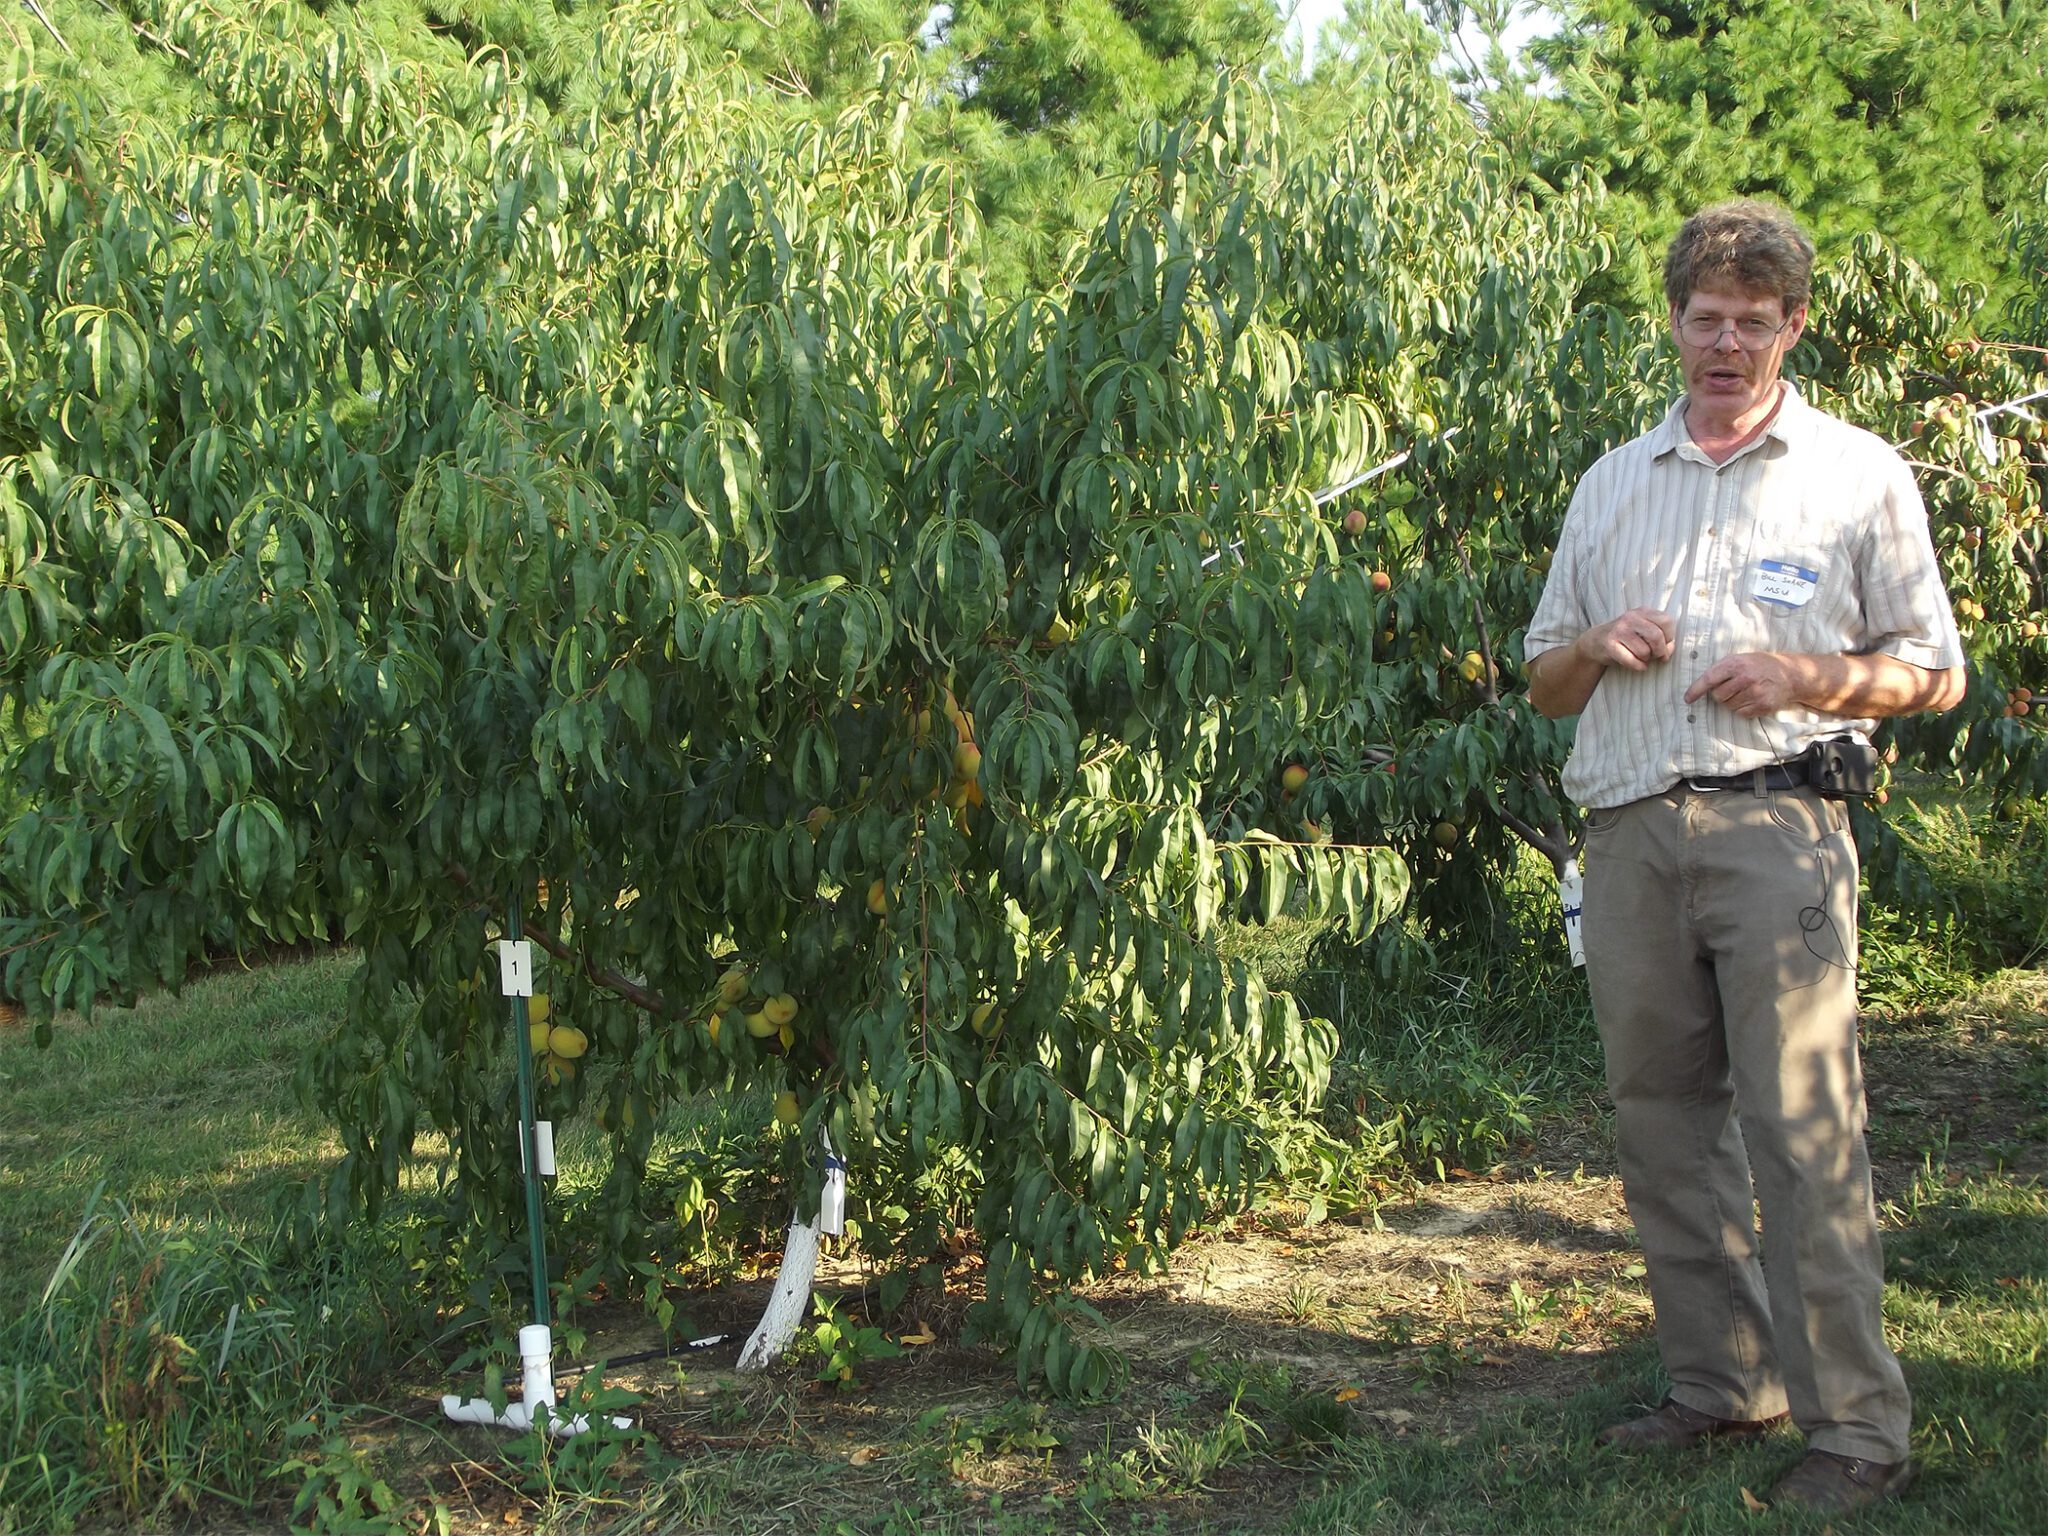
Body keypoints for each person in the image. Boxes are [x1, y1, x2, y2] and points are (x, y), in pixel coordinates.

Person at [1523, 200, 1965, 1514]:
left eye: (1752, 324)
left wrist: (1804, 673)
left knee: (1803, 1128)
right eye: (1705, 320)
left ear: (1793, 328)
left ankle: (1857, 1431)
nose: (1726, 344)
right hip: (1630, 831)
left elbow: (1938, 676)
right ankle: (1722, 1384)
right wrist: (1598, 649)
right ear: (1674, 323)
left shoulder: (1855, 474)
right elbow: (1544, 680)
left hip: (1780, 821)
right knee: (1664, 1125)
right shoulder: (1612, 483)